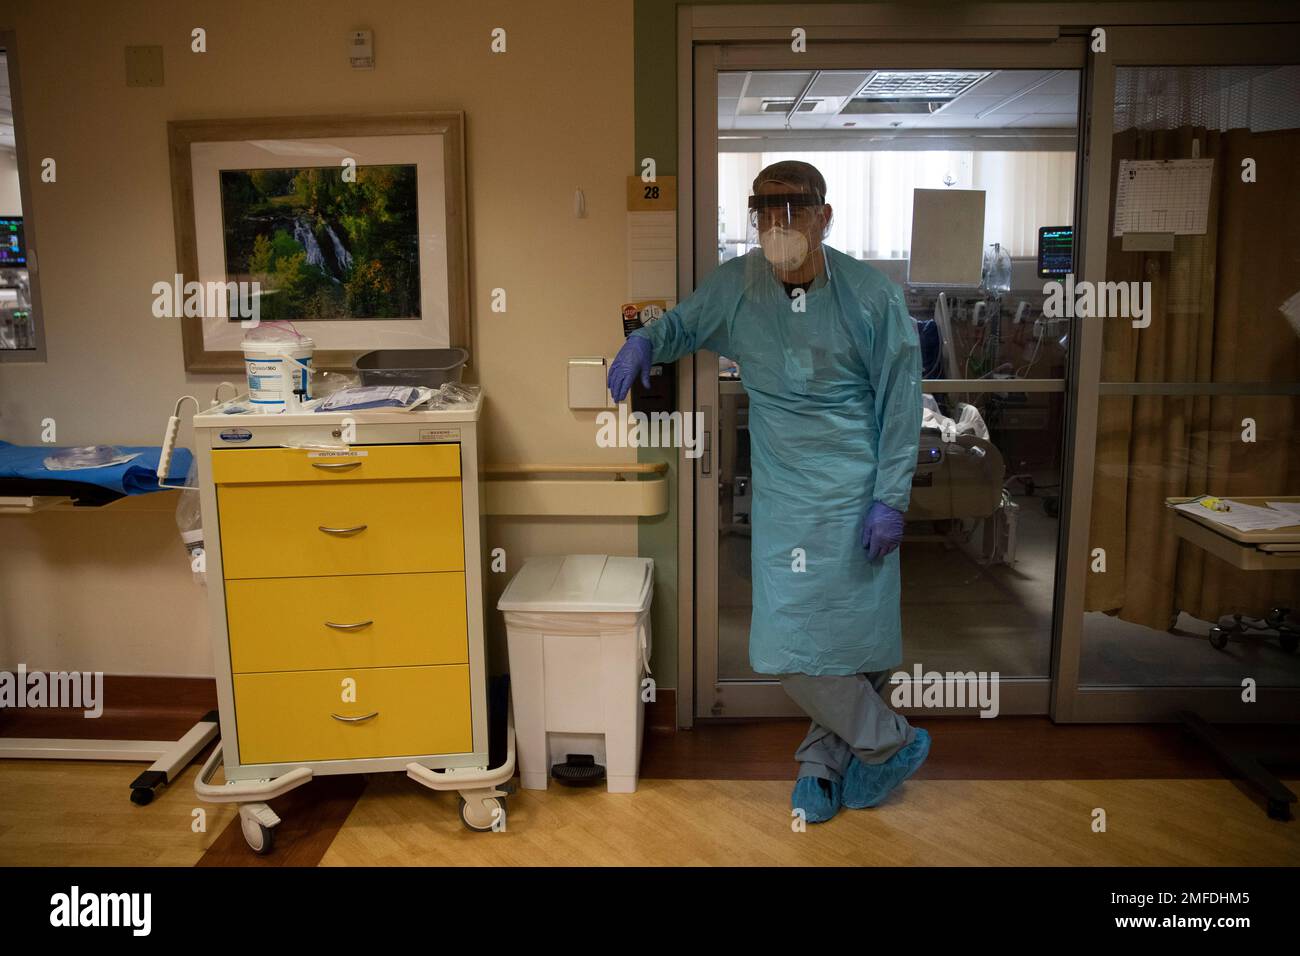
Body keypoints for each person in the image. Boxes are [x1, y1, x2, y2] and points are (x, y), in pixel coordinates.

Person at [608, 160, 929, 822]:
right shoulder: (737, 287)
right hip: (787, 500)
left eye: (794, 211)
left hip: (857, 494)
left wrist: (890, 497)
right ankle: (888, 743)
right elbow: (682, 325)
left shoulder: (872, 295)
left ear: (824, 217)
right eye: (766, 213)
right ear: (753, 219)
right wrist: (644, 341)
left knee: (855, 646)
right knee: (788, 648)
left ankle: (820, 764)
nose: (779, 226)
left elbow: (902, 402)